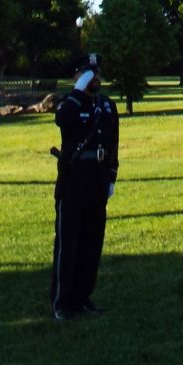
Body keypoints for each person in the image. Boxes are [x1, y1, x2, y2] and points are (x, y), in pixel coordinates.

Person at [51, 52, 119, 321]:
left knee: (92, 242)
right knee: (69, 243)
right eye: (88, 74)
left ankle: (83, 297)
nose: (95, 78)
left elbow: (112, 144)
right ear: (77, 77)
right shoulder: (69, 102)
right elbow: (63, 120)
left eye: (97, 73)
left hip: (97, 178)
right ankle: (62, 302)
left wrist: (111, 177)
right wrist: (79, 92)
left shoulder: (106, 106)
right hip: (74, 179)